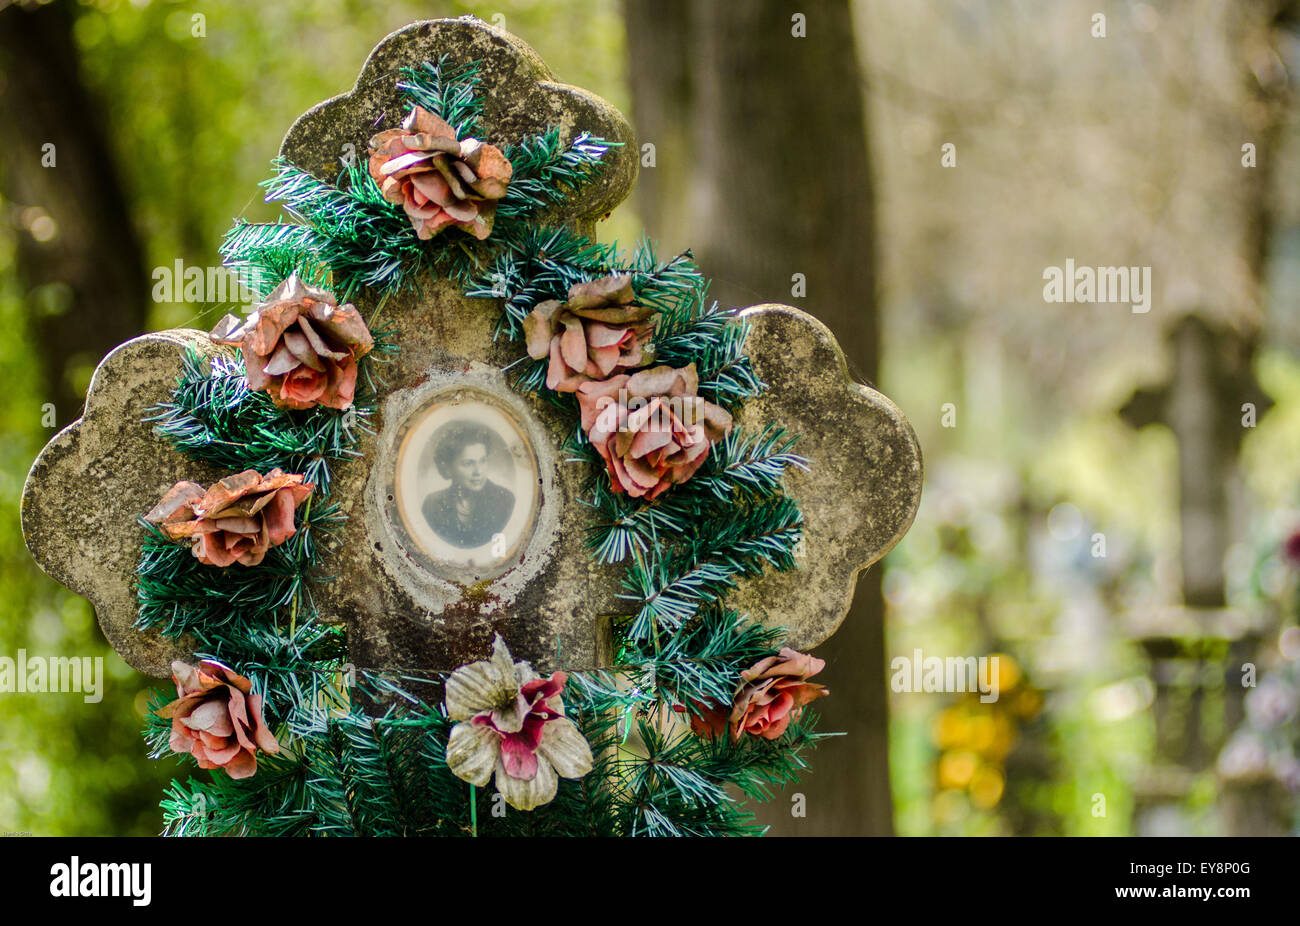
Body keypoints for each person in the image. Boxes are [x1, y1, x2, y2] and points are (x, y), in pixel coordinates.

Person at [422, 421, 515, 549]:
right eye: (468, 463)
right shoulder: (432, 505)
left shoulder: (505, 500)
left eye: (482, 461)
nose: (478, 471)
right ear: (449, 468)